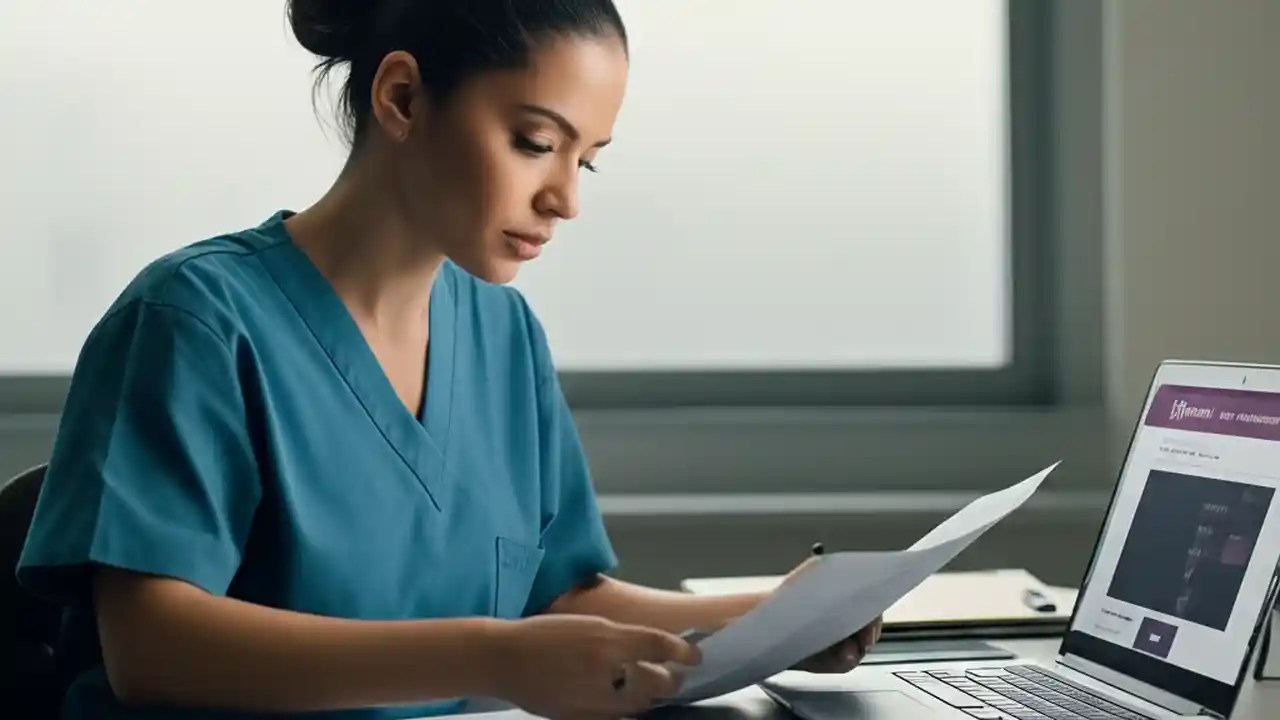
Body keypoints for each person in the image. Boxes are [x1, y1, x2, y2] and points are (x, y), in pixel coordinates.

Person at [16, 1, 882, 718]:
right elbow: (153, 648)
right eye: (536, 143)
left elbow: (564, 602)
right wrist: (494, 659)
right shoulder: (195, 322)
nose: (566, 198)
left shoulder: (504, 336)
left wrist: (779, 616)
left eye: (587, 161)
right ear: (401, 97)